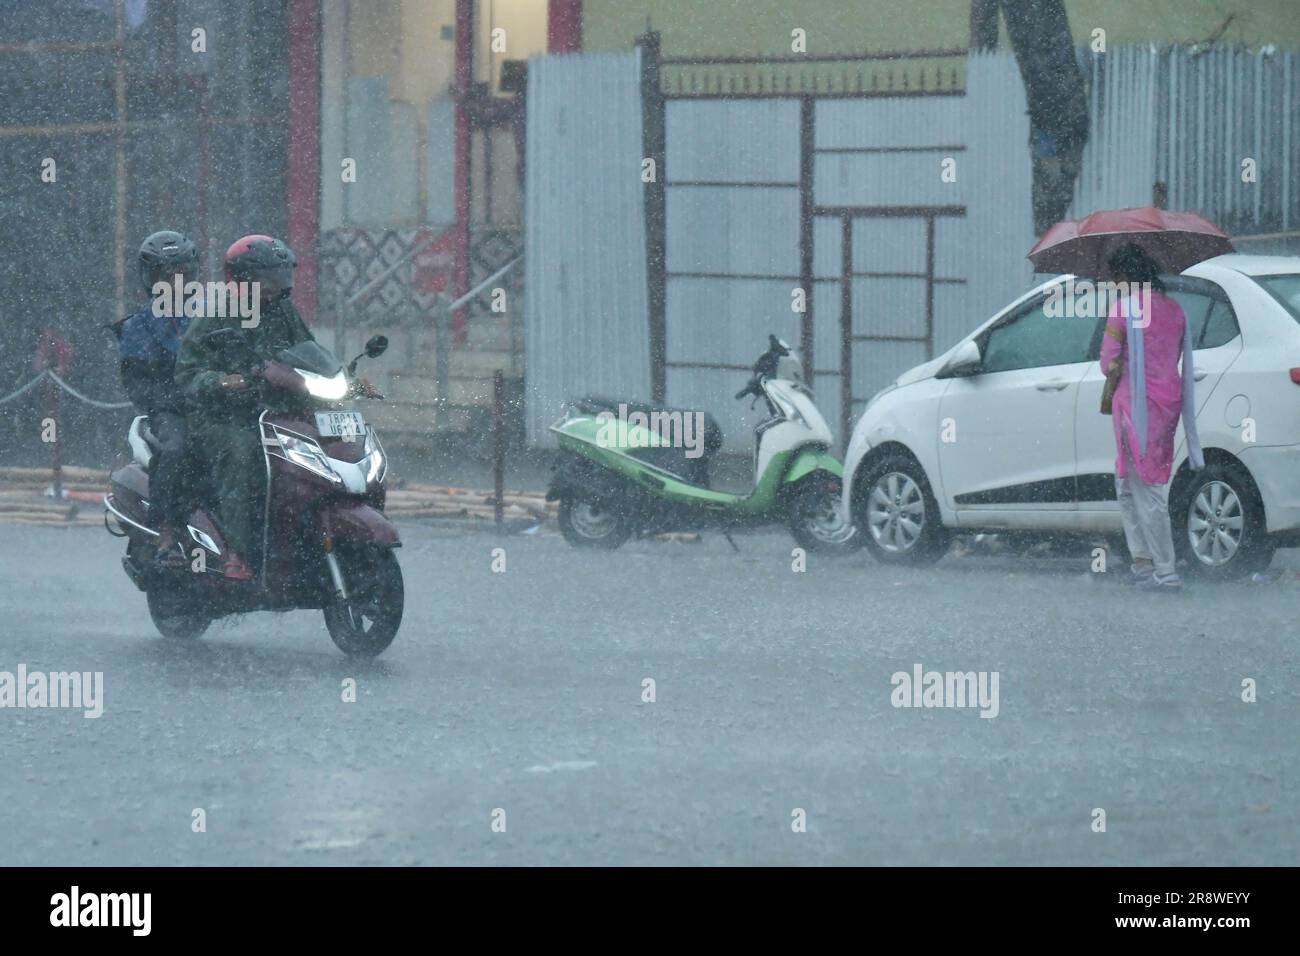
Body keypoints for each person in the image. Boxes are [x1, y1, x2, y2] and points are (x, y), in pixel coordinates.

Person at [174, 235, 314, 581]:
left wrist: (342, 377)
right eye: (269, 278)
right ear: (242, 279)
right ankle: (239, 551)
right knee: (243, 453)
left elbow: (311, 350)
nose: (277, 286)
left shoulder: (284, 312)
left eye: (282, 277)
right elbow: (187, 374)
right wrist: (222, 382)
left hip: (276, 413)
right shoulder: (215, 313)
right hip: (223, 418)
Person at [1099, 242, 1204, 591]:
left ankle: (1164, 569)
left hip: (1133, 407)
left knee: (1142, 487)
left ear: (1126, 276)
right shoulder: (1175, 310)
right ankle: (1143, 562)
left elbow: (1106, 364)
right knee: (1130, 481)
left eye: (1115, 278)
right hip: (1167, 404)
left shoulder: (1122, 310)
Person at [116, 230, 201, 568]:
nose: (174, 282)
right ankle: (166, 530)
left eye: (181, 273)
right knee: (177, 449)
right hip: (171, 411)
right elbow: (137, 384)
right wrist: (174, 397)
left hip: (218, 405)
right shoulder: (137, 326)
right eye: (165, 275)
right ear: (150, 279)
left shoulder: (212, 315)